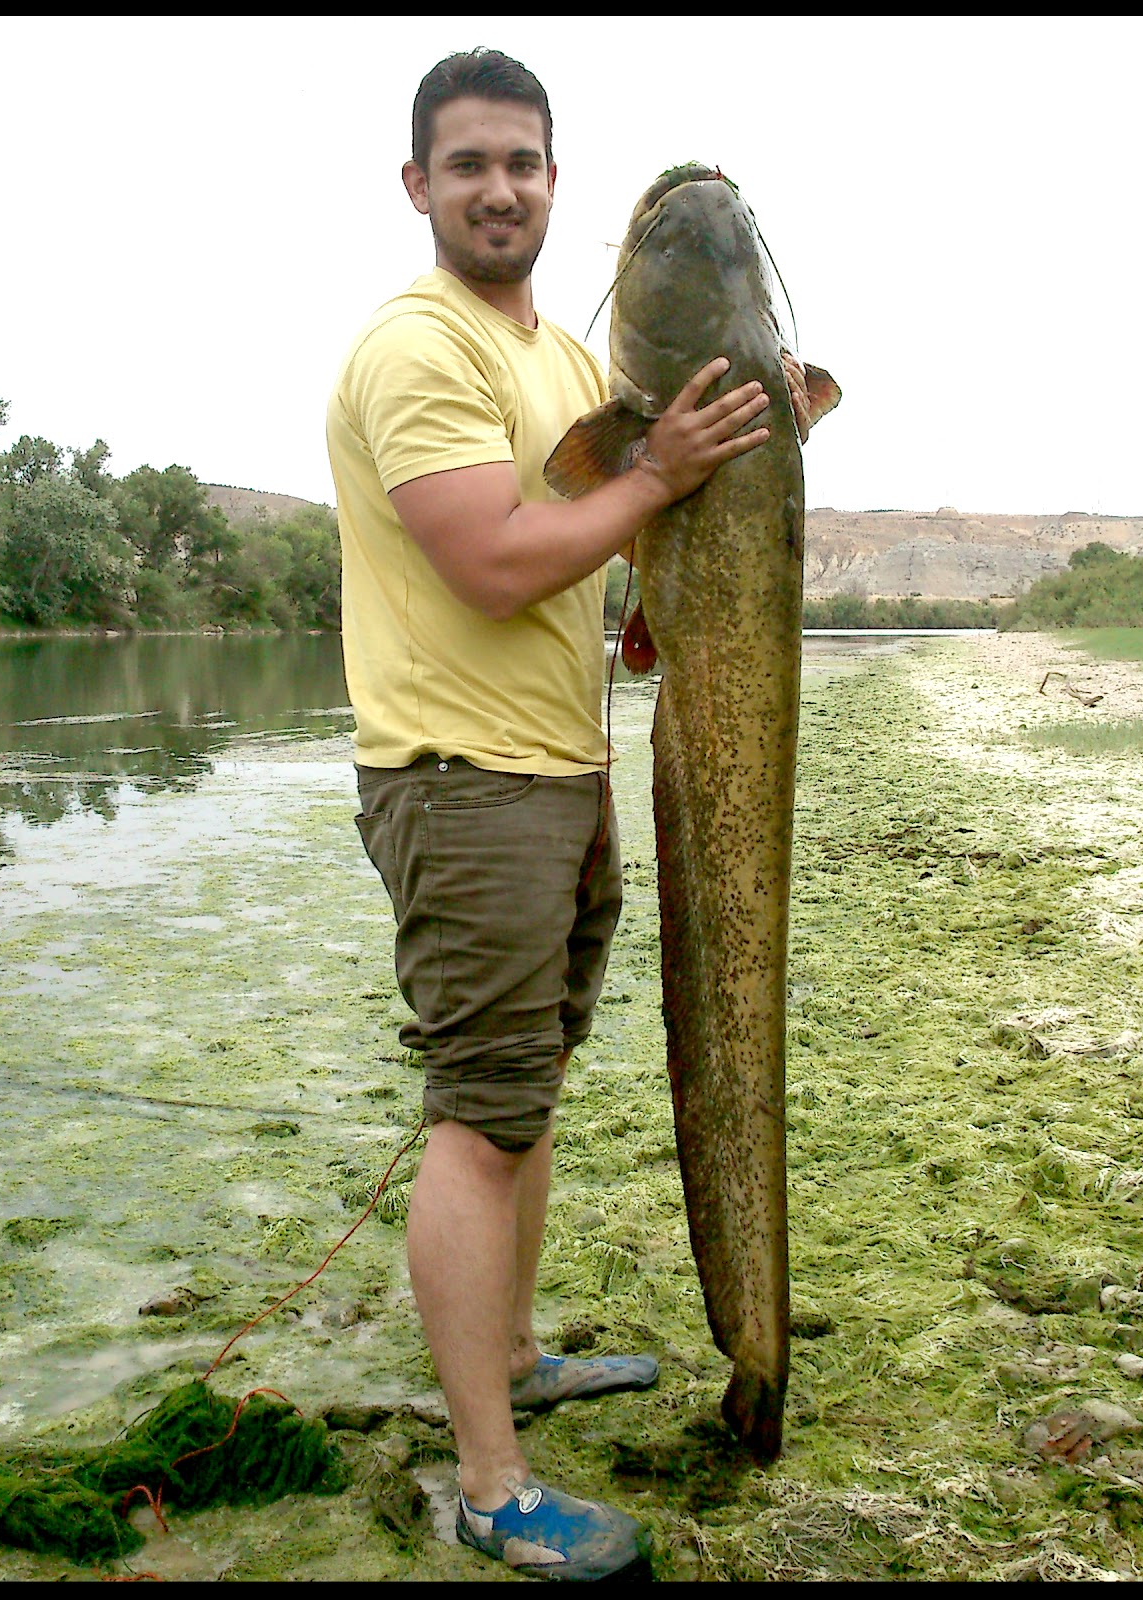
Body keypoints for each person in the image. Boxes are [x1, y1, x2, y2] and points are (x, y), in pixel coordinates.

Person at [325, 48, 814, 1582]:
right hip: (464, 786)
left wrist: (676, 529)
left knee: (523, 1093)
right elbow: (488, 563)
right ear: (419, 184)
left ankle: (516, 1355)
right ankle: (488, 1477)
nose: (501, 190)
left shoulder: (546, 355)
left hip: (557, 776)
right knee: (481, 1117)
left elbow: (594, 534)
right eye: (468, 164)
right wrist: (658, 466)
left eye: (525, 163)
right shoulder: (419, 350)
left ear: (557, 183)